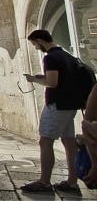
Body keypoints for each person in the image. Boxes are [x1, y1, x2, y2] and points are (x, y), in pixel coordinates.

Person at [20, 29, 83, 195]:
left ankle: (44, 182)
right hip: (70, 105)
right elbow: (63, 79)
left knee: (45, 141)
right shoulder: (67, 56)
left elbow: (53, 83)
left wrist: (34, 79)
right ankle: (72, 182)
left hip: (57, 105)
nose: (36, 48)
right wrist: (43, 77)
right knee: (69, 142)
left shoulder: (50, 58)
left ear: (40, 41)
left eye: (35, 44)